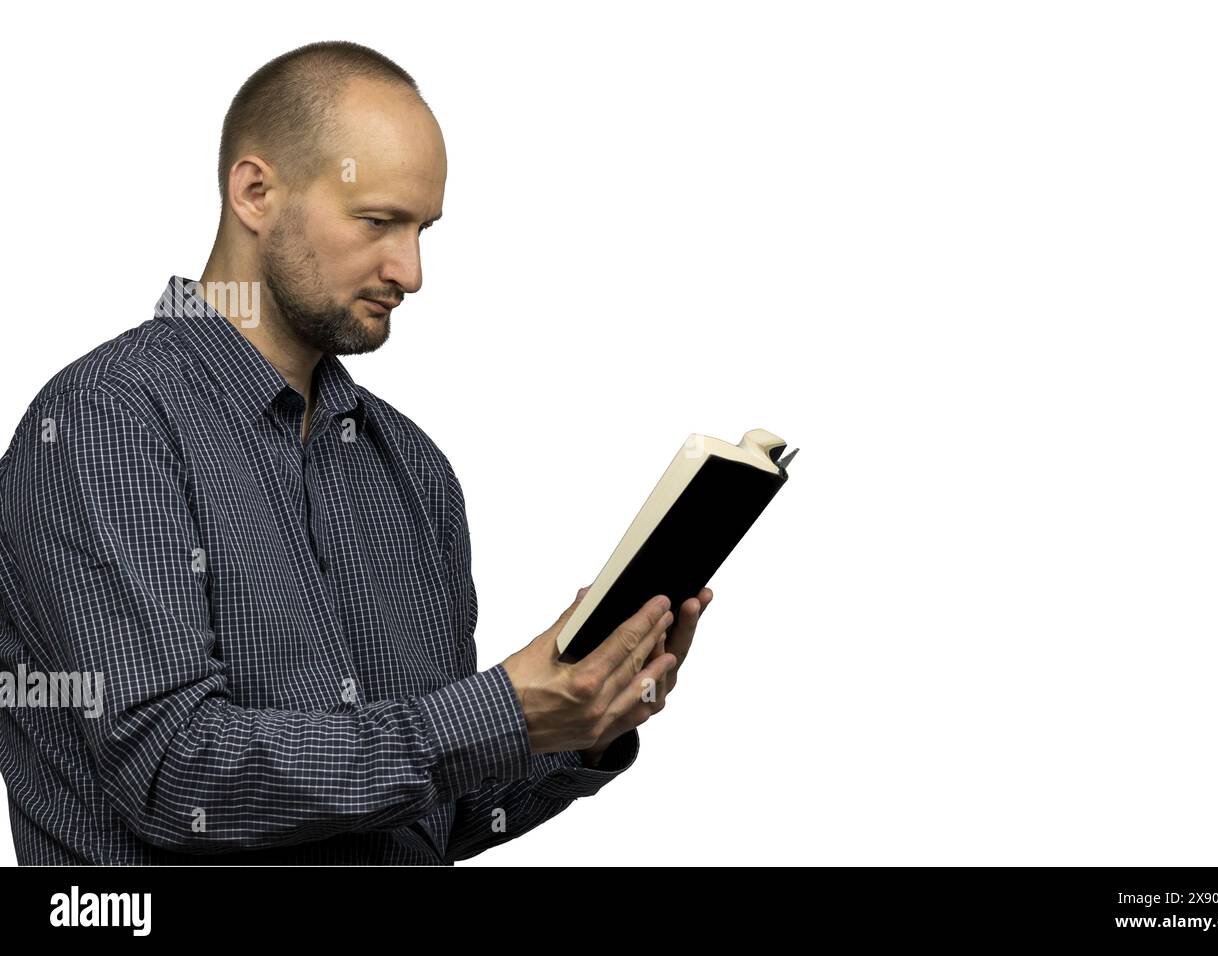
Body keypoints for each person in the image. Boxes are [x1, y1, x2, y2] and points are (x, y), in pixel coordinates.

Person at [0, 40, 711, 865]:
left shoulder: (413, 470)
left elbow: (437, 809)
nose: (410, 272)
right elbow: (174, 773)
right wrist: (505, 710)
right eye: (378, 222)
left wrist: (582, 719)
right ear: (255, 192)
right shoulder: (105, 422)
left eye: (423, 228)